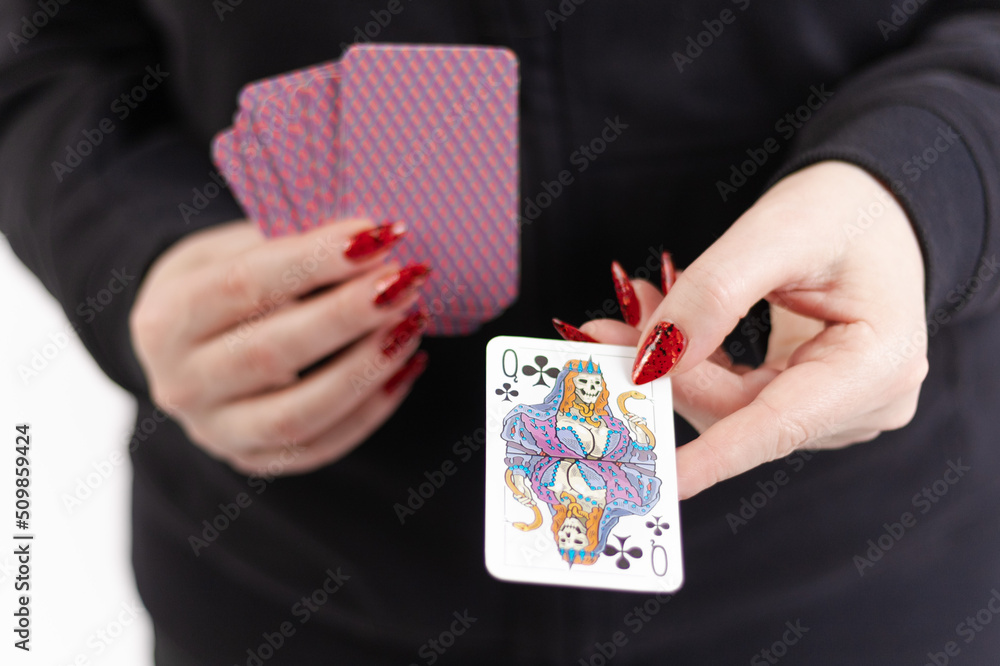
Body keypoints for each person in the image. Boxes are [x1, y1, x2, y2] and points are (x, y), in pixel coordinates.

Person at [1, 1, 999, 663]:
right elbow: (36, 41)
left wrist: (926, 184)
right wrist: (131, 249)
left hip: (858, 579)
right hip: (286, 583)